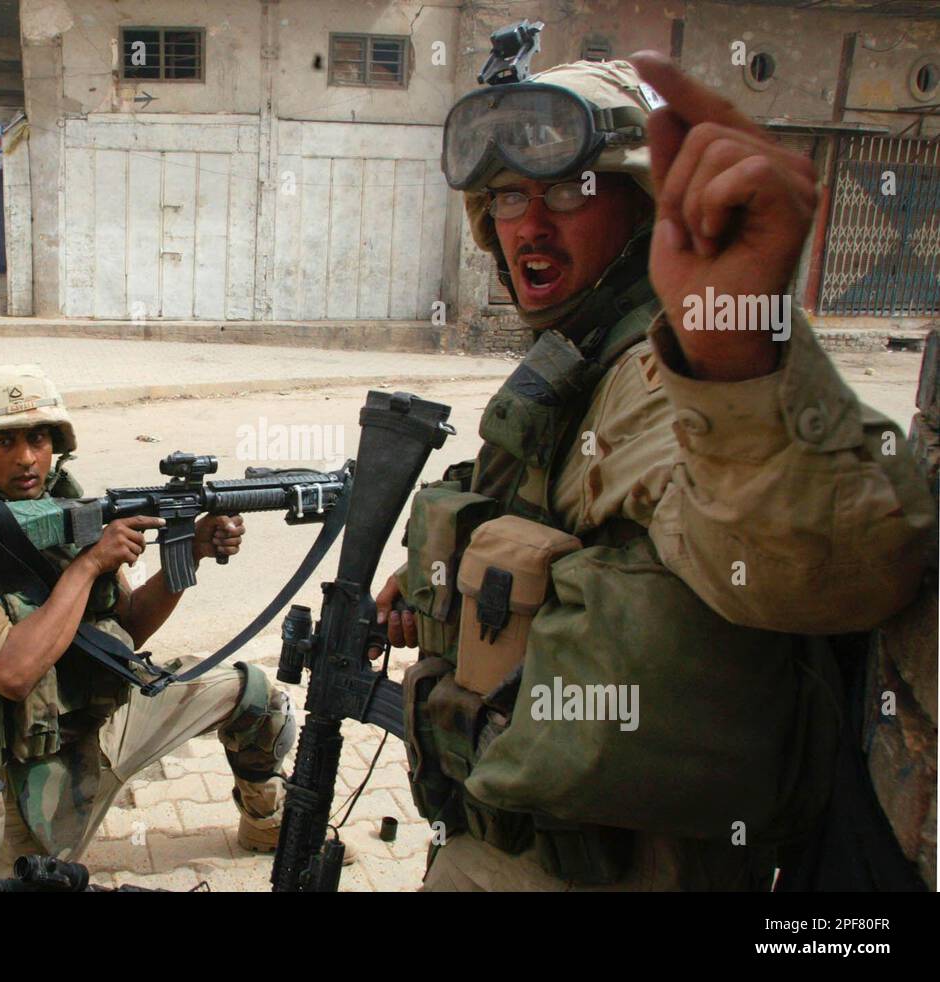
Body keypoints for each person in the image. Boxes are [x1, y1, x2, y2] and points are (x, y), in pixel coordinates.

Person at [372, 51, 936, 891]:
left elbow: (818, 571)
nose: (529, 224)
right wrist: (434, 589)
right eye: (509, 198)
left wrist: (735, 355)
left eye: (568, 192)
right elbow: (548, 525)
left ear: (642, 208)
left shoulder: (654, 377)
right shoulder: (582, 357)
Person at [0, 365, 312, 872]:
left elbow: (129, 625)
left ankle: (265, 822)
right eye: (2, 442)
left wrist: (193, 552)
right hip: (19, 763)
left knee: (258, 699)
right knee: (28, 880)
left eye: (38, 437)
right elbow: (12, 674)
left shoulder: (65, 505)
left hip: (108, 712)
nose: (26, 457)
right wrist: (91, 561)